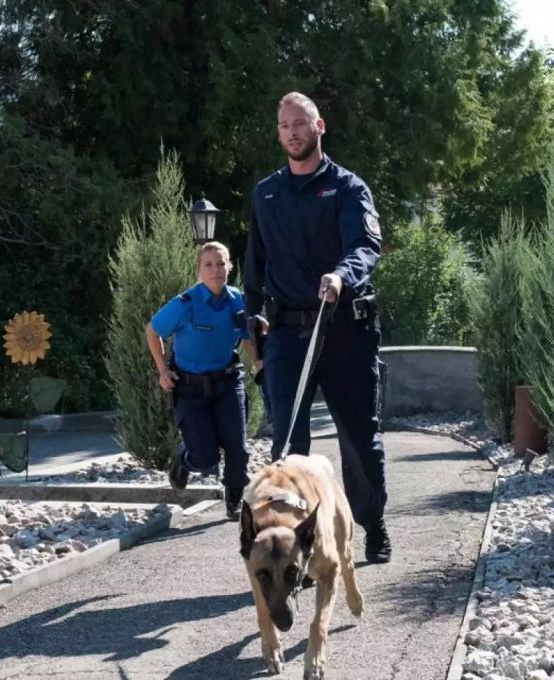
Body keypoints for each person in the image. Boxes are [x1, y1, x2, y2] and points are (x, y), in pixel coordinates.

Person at [244, 92, 391, 563]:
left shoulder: (348, 188)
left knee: (357, 434)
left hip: (344, 328)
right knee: (288, 441)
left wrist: (340, 276)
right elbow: (254, 266)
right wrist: (253, 329)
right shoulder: (266, 193)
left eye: (300, 123)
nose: (291, 132)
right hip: (287, 334)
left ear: (319, 126)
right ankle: (292, 539)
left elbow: (366, 246)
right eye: (284, 125)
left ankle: (371, 522)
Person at [146, 241, 261, 521]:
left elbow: (247, 336)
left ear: (229, 267)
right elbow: (153, 330)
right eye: (208, 264)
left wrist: (259, 363)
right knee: (205, 459)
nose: (215, 270)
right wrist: (163, 371)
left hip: (227, 383)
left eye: (221, 263)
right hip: (190, 388)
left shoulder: (237, 300)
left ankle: (234, 500)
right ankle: (185, 460)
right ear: (198, 269)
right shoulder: (185, 303)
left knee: (237, 447)